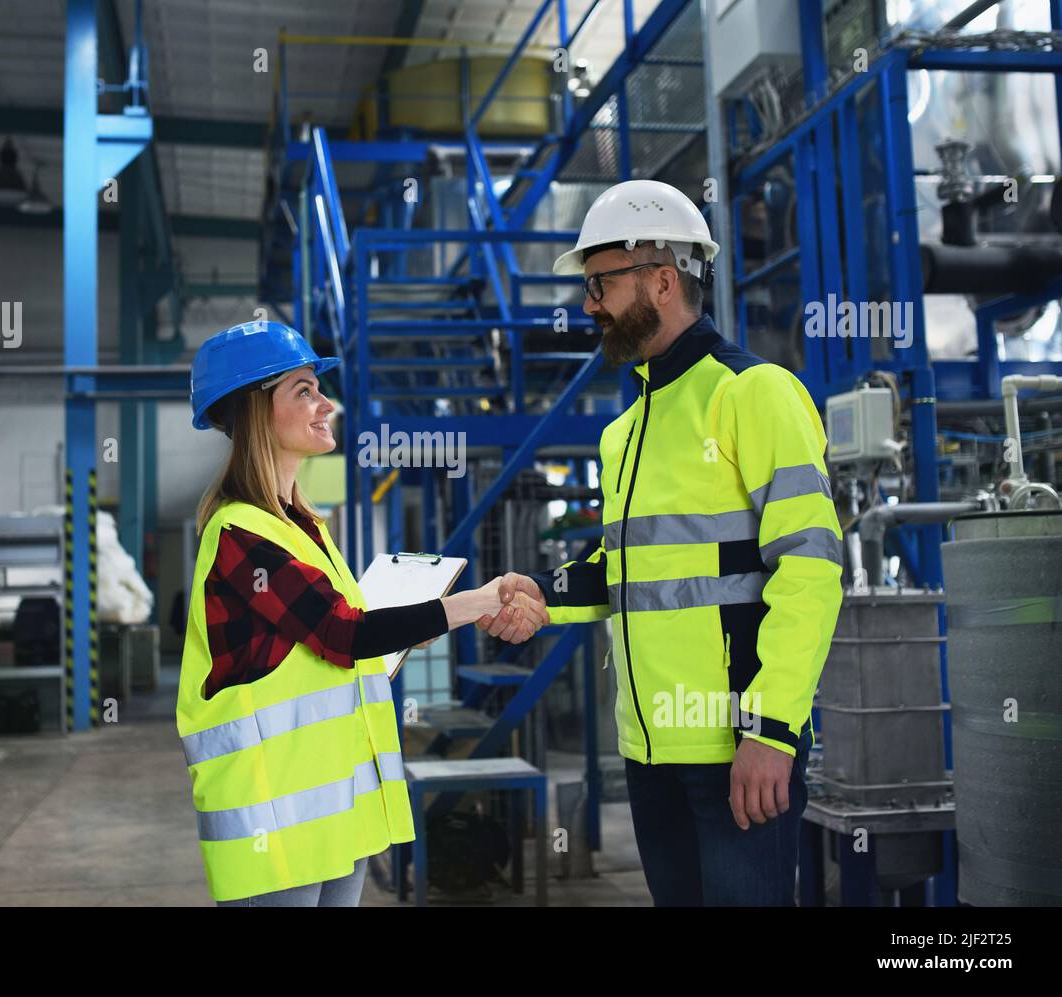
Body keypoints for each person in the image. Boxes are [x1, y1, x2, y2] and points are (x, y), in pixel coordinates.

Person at [479, 180, 843, 906]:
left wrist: (771, 731)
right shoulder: (626, 432)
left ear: (664, 281)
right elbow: (632, 571)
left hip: (736, 752)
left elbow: (811, 567)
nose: (589, 305)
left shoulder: (753, 393)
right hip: (650, 756)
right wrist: (542, 595)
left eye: (600, 285)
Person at [176, 320, 547, 907]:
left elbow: (333, 649)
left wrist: (408, 630)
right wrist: (476, 602)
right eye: (304, 390)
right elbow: (342, 634)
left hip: (332, 808)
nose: (327, 404)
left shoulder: (304, 528)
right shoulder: (239, 534)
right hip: (272, 820)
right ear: (254, 411)